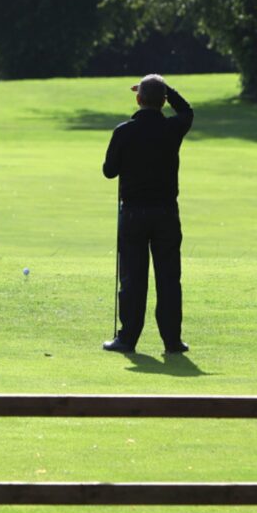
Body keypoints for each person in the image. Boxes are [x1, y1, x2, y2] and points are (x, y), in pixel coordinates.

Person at [101, 74, 194, 354]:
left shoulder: (124, 131)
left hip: (133, 214)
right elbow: (187, 110)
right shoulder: (172, 128)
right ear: (163, 101)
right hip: (166, 212)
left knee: (132, 276)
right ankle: (172, 341)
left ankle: (127, 338)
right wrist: (167, 90)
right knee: (168, 277)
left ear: (138, 99)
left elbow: (109, 171)